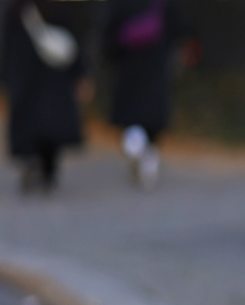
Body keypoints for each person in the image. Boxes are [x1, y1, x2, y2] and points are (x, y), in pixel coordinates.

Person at [1, 0, 86, 193]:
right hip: (53, 77)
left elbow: (6, 45)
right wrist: (79, 72)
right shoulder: (59, 8)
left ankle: (31, 162)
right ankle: (47, 170)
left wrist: (7, 76)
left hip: (25, 77)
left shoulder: (15, 10)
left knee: (28, 125)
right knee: (51, 127)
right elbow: (74, 40)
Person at [101, 0, 181, 189]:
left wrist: (109, 56)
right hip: (155, 68)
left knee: (131, 116)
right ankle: (149, 154)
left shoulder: (119, 5)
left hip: (128, 67)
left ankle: (135, 146)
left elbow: (109, 33)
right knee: (152, 118)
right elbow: (176, 29)